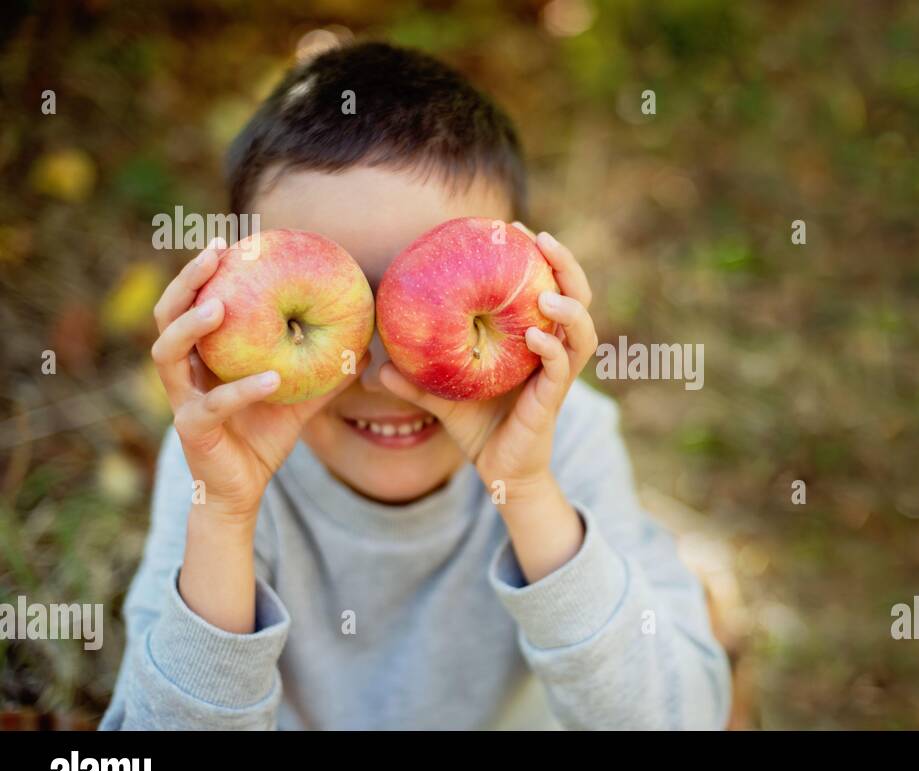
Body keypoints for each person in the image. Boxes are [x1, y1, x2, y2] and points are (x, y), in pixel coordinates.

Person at [101, 42, 731, 730]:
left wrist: (525, 491)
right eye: (335, 314)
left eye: (424, 306)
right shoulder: (219, 462)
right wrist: (224, 519)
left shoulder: (567, 438)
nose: (382, 372)